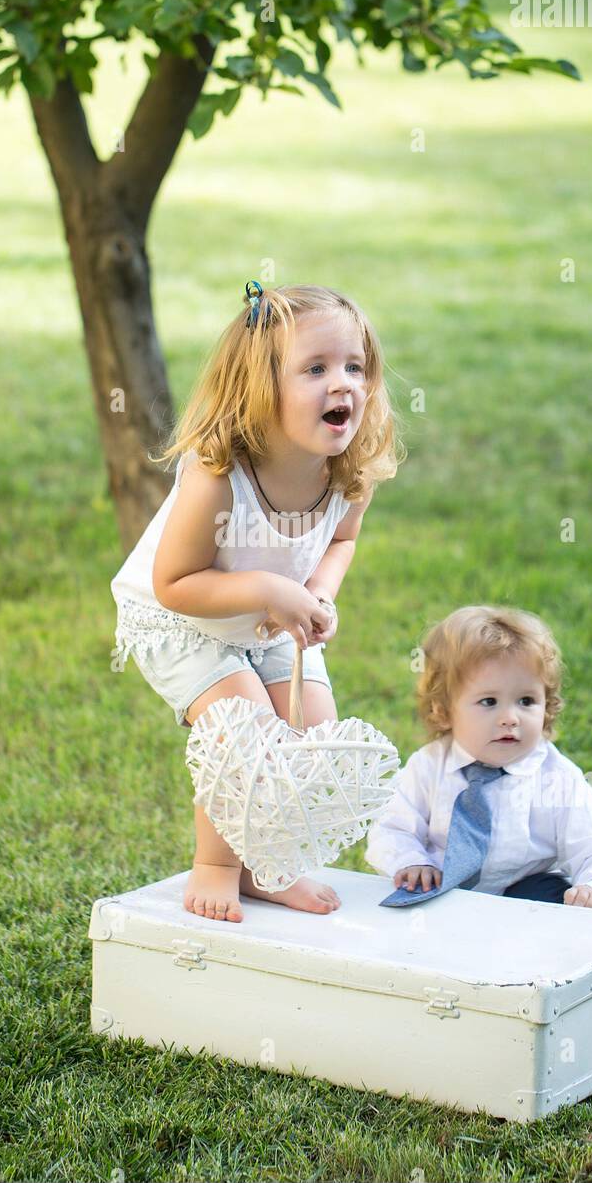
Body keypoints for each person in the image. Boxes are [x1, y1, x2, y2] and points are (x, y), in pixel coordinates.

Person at [111, 280, 404, 923]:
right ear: (260, 387)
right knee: (244, 734)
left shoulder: (348, 470)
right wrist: (273, 589)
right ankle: (218, 865)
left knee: (312, 732)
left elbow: (342, 541)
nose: (343, 384)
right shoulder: (220, 476)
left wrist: (317, 592)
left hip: (268, 617)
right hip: (183, 618)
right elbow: (177, 583)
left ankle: (269, 866)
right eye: (316, 369)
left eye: (356, 367)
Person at [366, 605, 592, 911]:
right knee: (417, 903)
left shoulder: (557, 776)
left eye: (526, 701)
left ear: (547, 706)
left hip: (524, 889)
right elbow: (392, 827)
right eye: (489, 701)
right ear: (444, 709)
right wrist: (412, 862)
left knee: (552, 900)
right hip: (443, 883)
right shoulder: (427, 767)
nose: (510, 717)